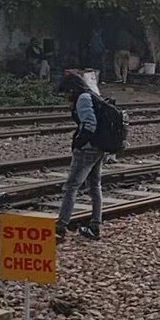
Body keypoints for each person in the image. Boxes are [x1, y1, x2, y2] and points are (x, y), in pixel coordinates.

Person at [55, 74, 104, 242]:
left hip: (88, 149)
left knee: (71, 186)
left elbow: (89, 123)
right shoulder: (92, 94)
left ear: (71, 89)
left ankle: (61, 226)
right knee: (95, 186)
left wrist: (79, 143)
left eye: (66, 93)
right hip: (99, 147)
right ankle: (95, 225)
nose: (66, 97)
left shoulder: (83, 98)